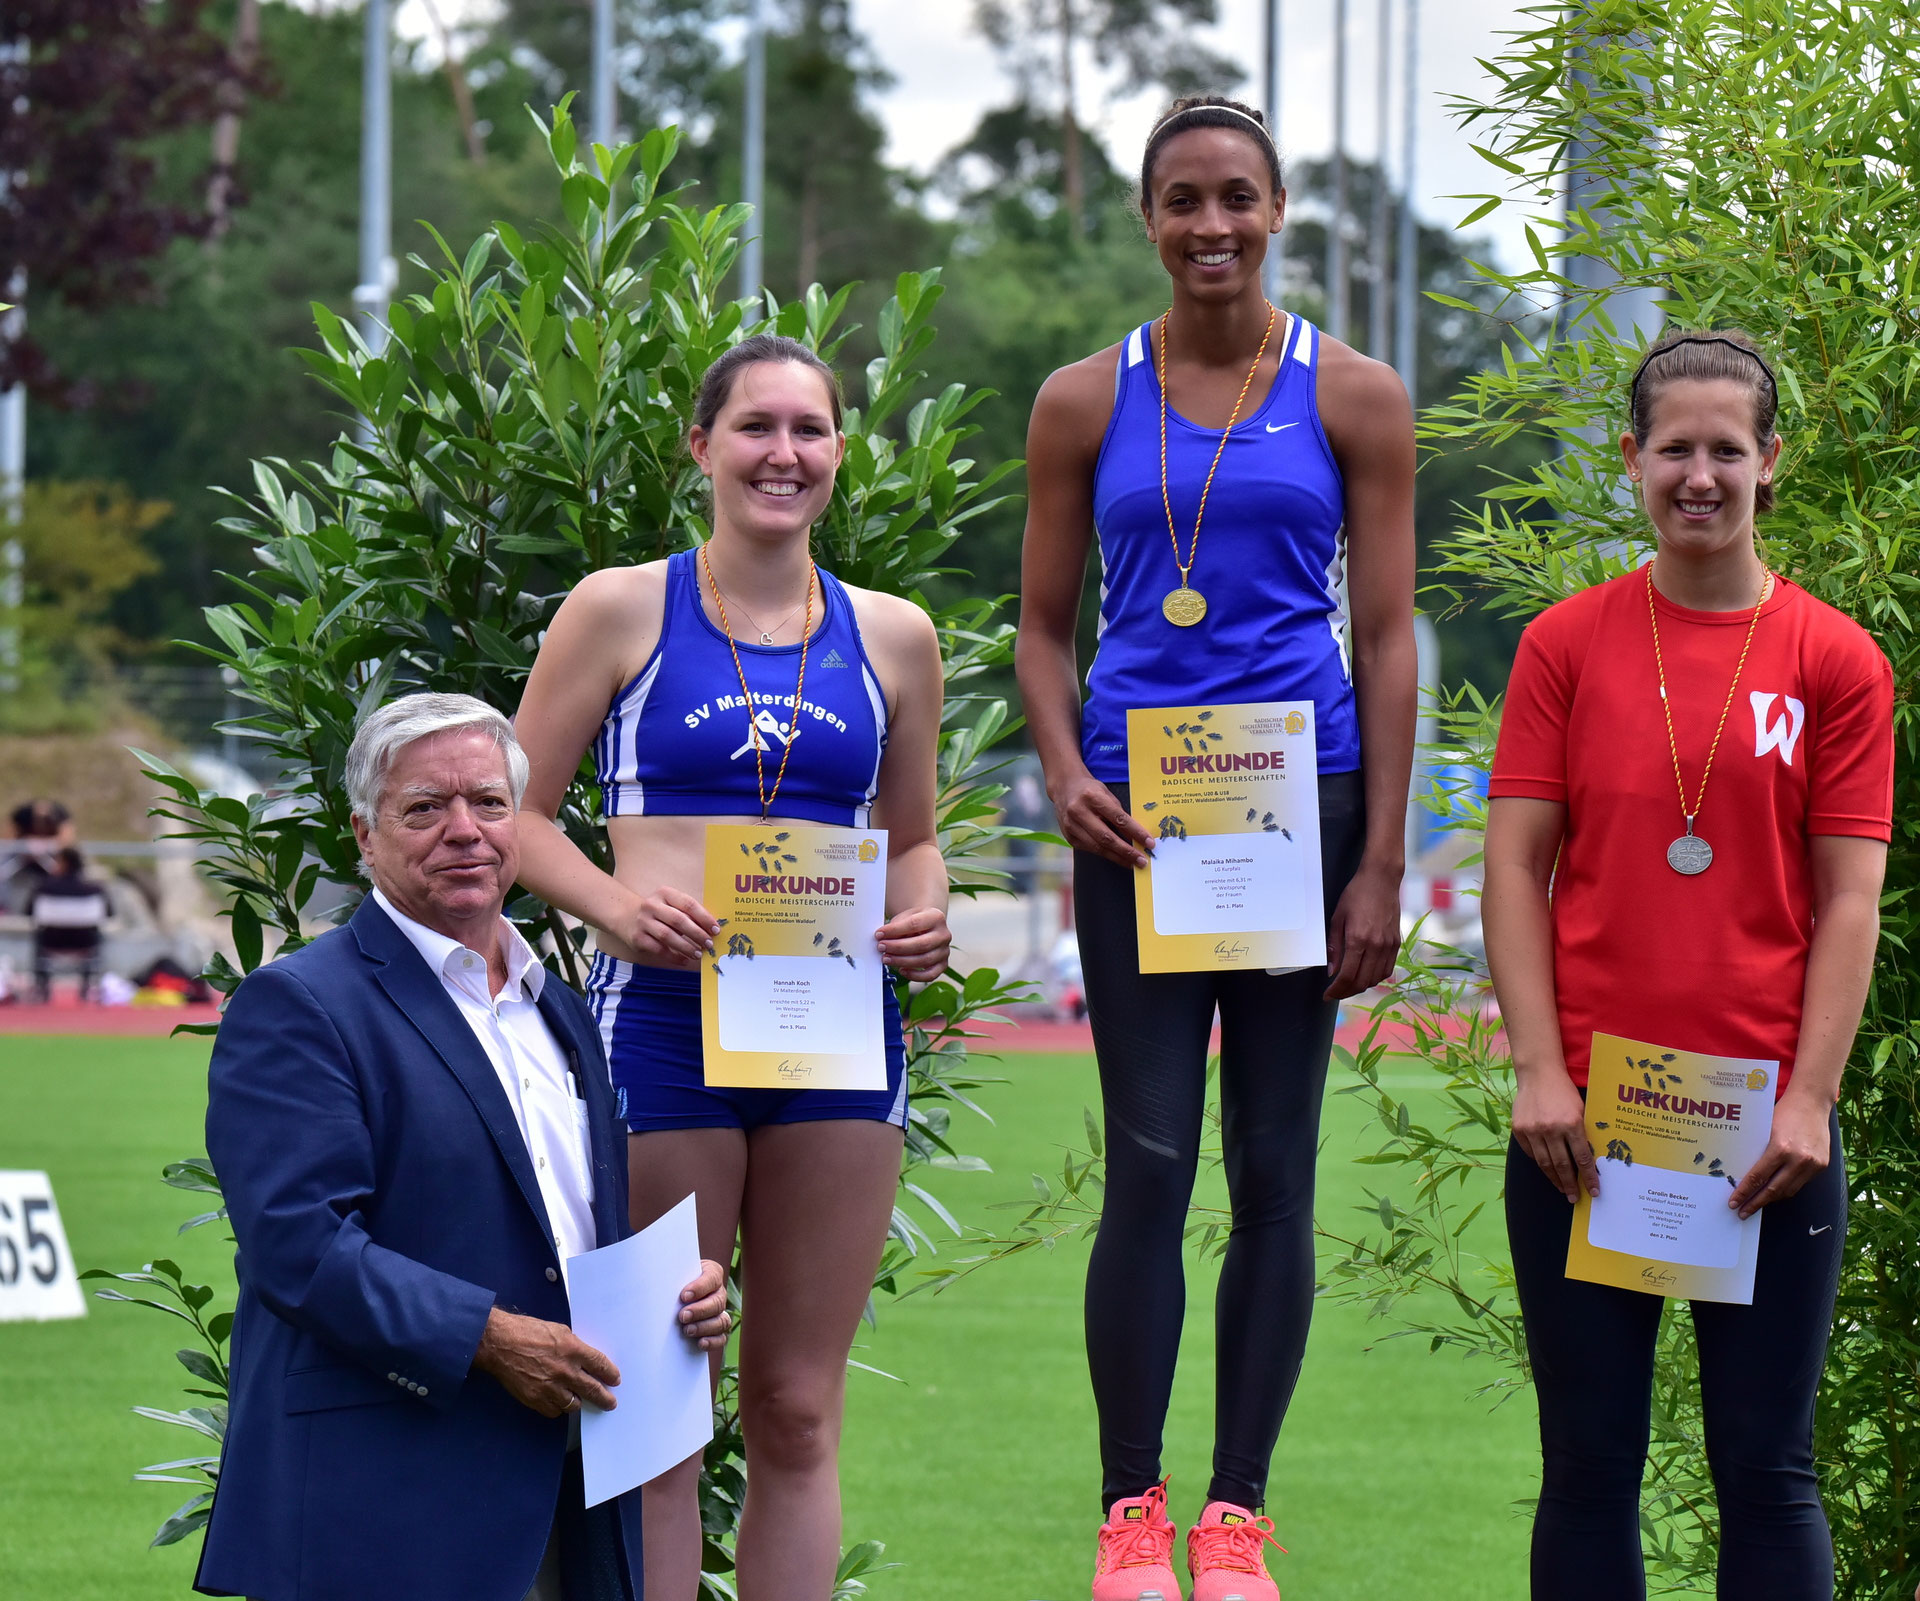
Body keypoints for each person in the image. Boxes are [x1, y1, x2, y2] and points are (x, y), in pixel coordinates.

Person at [1015, 95, 1416, 1601]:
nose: (1211, 226)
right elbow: (1040, 630)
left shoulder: (1354, 395)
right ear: (1146, 217)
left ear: (1278, 208)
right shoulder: (1082, 400)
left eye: (1236, 197)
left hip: (1300, 811)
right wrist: (1064, 769)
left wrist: (1380, 861)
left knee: (1275, 1167)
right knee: (1148, 1162)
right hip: (1138, 821)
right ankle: (1132, 1512)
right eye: (1182, 200)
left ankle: (1235, 1516)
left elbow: (1388, 636)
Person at [512, 334, 951, 1601]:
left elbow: (911, 840)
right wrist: (616, 906)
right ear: (701, 446)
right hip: (661, 1028)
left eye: (810, 429)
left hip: (833, 1033)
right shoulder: (619, 608)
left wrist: (925, 916)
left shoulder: (895, 636)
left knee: (798, 1409)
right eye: (756, 426)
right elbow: (516, 817)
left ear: (839, 453)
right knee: (659, 1408)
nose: (784, 453)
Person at [1484, 330, 1892, 1599]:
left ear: (1772, 460)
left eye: (1726, 449)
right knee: (1586, 1467)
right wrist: (1539, 1071)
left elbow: (1851, 896)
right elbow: (1514, 869)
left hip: (1767, 1132)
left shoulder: (1836, 659)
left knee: (1768, 1470)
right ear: (1632, 459)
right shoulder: (1566, 644)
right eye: (1674, 449)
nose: (1699, 475)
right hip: (1585, 1124)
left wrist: (1811, 1098)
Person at [197, 694, 730, 1601]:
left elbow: (570, 1230)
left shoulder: (560, 1011)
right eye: (424, 808)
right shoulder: (299, 1006)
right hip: (382, 1502)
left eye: (488, 802)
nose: (464, 830)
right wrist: (490, 1337)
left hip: (566, 1493)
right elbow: (301, 1247)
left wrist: (674, 1297)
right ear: (365, 836)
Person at [29, 845, 108, 1002]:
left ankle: (42, 986)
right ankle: (86, 986)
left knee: (38, 934)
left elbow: (29, 912)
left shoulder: (44, 888)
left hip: (52, 941)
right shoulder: (95, 890)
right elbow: (108, 913)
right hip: (85, 942)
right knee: (97, 934)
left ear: (64, 863)